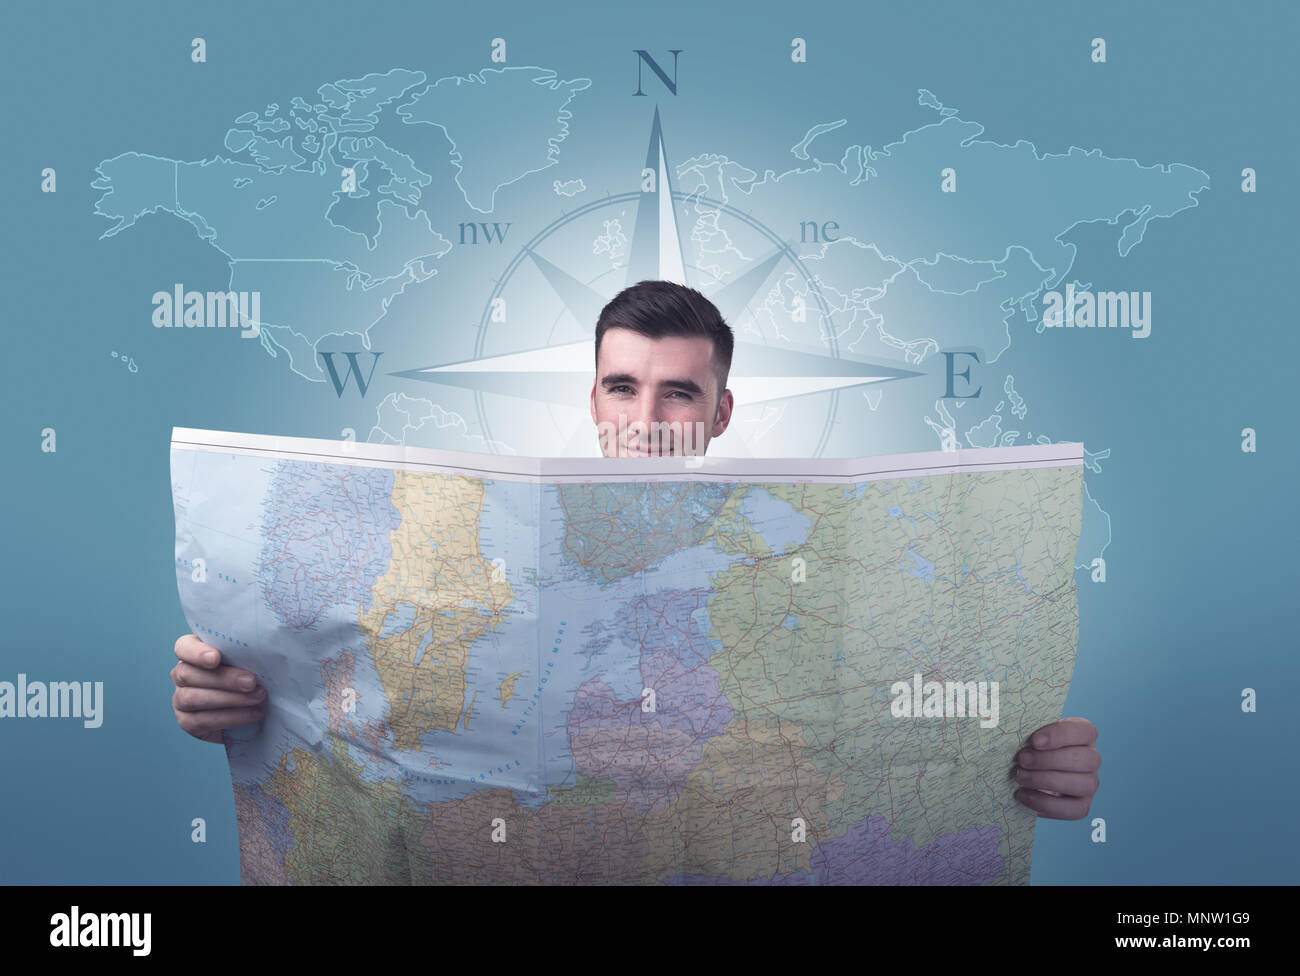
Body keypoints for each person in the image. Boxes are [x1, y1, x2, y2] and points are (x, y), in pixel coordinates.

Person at [171, 279, 1100, 820]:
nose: (646, 420)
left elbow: (907, 725)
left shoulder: (820, 568)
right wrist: (244, 705)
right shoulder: (462, 551)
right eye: (623, 387)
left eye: (680, 394)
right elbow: (360, 706)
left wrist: (1028, 763)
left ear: (722, 411)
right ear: (593, 402)